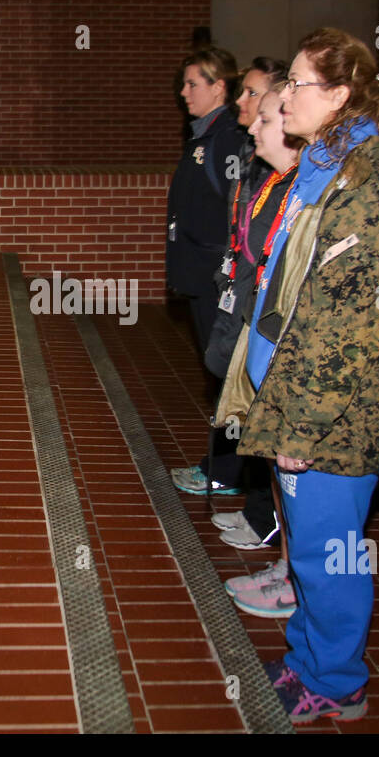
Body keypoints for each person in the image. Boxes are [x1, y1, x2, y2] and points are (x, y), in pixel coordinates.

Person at [215, 27, 379, 723]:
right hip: (302, 405)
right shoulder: (324, 177)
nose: (288, 97)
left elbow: (350, 336)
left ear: (337, 96)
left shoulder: (360, 197)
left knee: (330, 558)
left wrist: (300, 427)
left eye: (301, 84)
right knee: (310, 553)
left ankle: (338, 681)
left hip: (337, 422)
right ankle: (310, 654)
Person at [207, 89, 297, 612]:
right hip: (256, 329)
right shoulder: (273, 184)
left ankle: (294, 574)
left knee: (296, 478)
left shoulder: (303, 192)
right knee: (274, 463)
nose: (254, 128)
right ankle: (285, 564)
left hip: (286, 348)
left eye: (263, 118)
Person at [167, 48, 249, 495]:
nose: (183, 93)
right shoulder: (203, 135)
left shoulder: (228, 139)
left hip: (217, 281)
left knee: (227, 376)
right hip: (201, 277)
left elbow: (238, 213)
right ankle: (222, 466)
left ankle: (226, 471)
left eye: (192, 84)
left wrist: (225, 270)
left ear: (219, 87)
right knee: (219, 373)